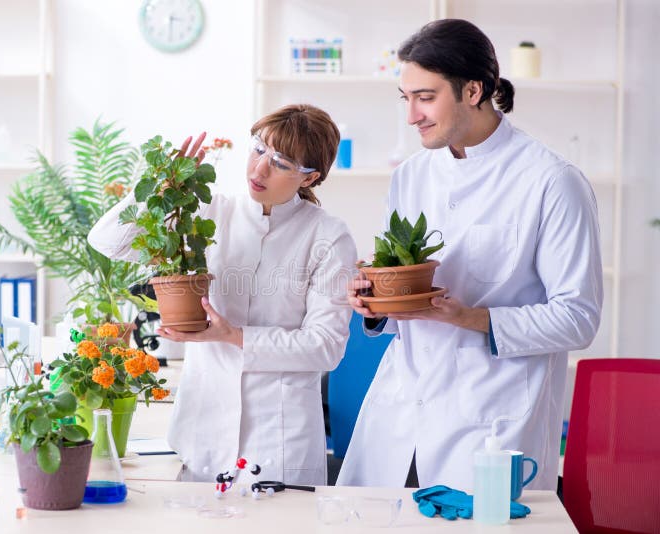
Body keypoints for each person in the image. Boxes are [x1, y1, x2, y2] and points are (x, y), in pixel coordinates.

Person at [337, 19, 603, 491]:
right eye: (407, 98)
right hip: (402, 412)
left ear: (474, 90)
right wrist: (375, 303)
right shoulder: (411, 177)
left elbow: (578, 319)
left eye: (425, 97)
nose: (411, 116)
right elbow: (405, 291)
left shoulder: (552, 181)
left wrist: (473, 318)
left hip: (490, 420)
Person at [88, 104, 357, 485]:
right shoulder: (209, 213)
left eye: (281, 163)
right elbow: (106, 242)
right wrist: (161, 185)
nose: (260, 168)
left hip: (280, 441)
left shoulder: (329, 237)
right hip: (202, 433)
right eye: (259, 149)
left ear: (309, 177)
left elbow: (325, 346)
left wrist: (234, 336)